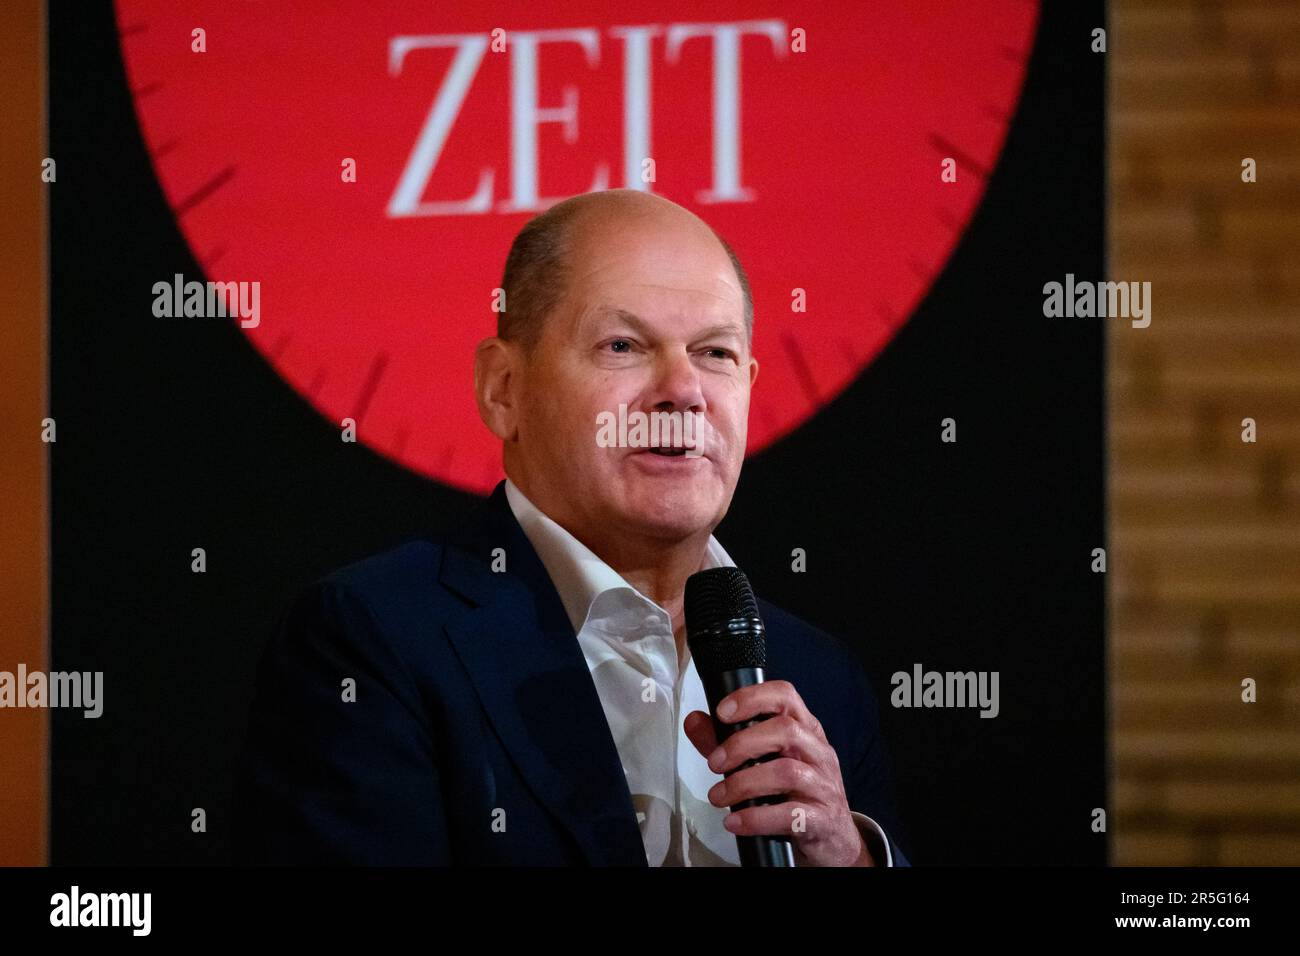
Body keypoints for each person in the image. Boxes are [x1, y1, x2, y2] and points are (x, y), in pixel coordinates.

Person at [233, 188, 909, 866]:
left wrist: (851, 857)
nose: (684, 389)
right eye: (623, 345)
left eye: (715, 354)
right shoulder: (374, 640)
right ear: (504, 390)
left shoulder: (819, 675)